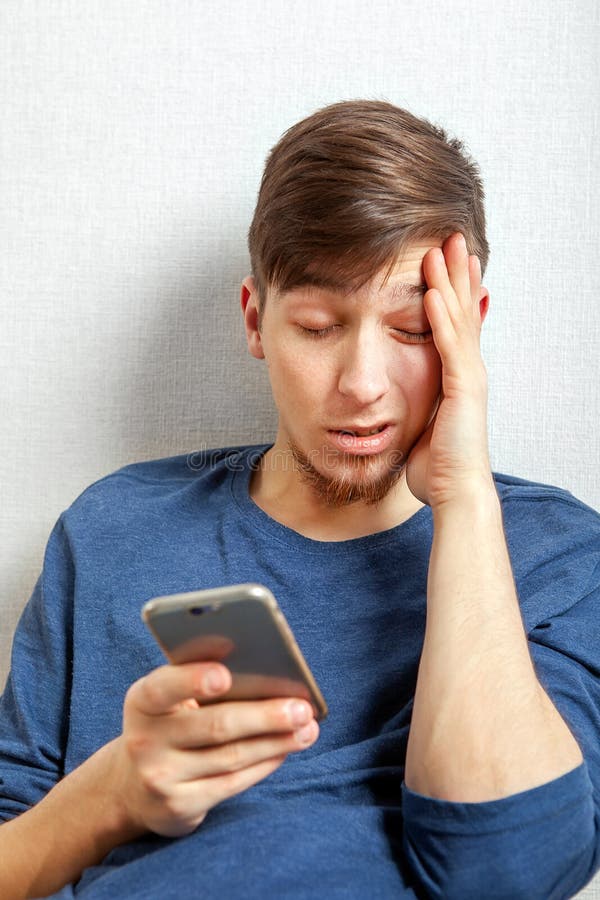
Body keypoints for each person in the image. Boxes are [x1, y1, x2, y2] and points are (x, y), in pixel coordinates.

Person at [0, 99, 599, 900]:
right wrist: (115, 793)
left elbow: (508, 873)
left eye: (413, 332)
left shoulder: (556, 557)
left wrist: (463, 500)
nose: (361, 385)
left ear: (468, 330)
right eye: (318, 326)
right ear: (257, 320)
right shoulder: (115, 527)